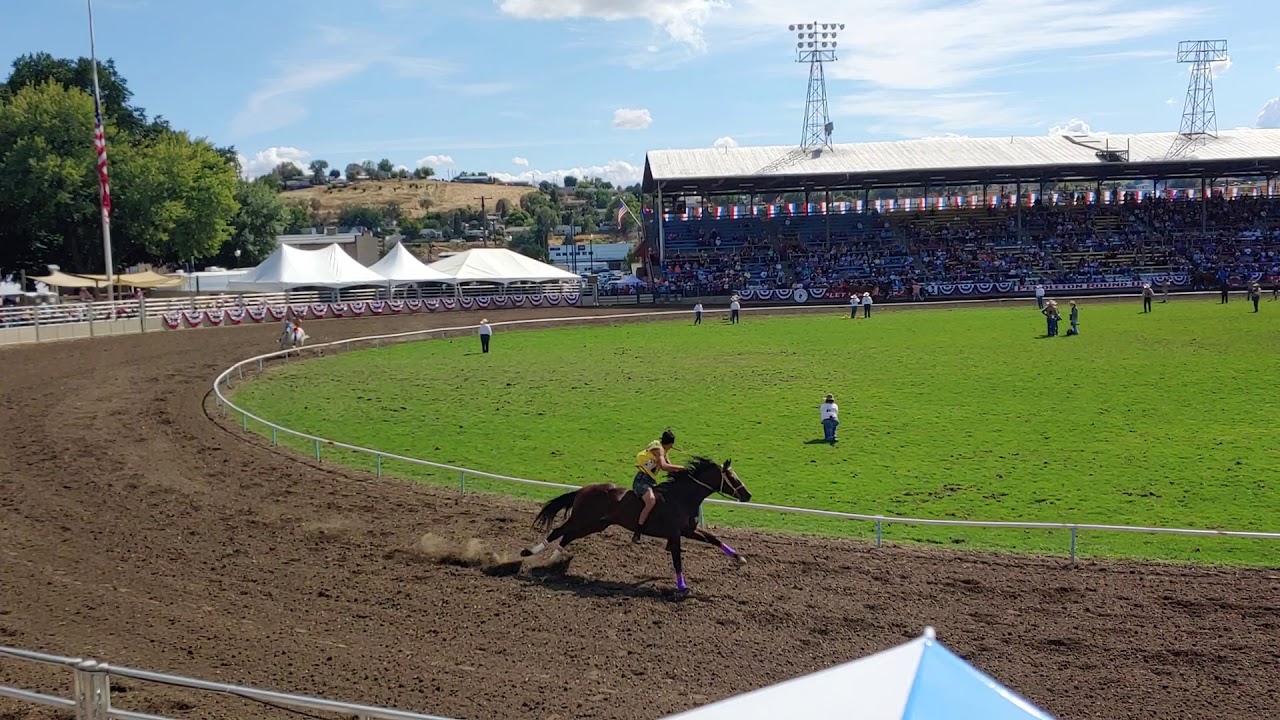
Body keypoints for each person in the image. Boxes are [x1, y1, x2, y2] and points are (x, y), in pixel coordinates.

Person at [632, 430, 684, 544]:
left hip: (651, 481)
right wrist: (681, 468)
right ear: (670, 444)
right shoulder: (659, 450)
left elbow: (669, 466)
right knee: (651, 500)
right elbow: (664, 466)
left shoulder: (663, 451)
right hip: (641, 481)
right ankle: (637, 532)